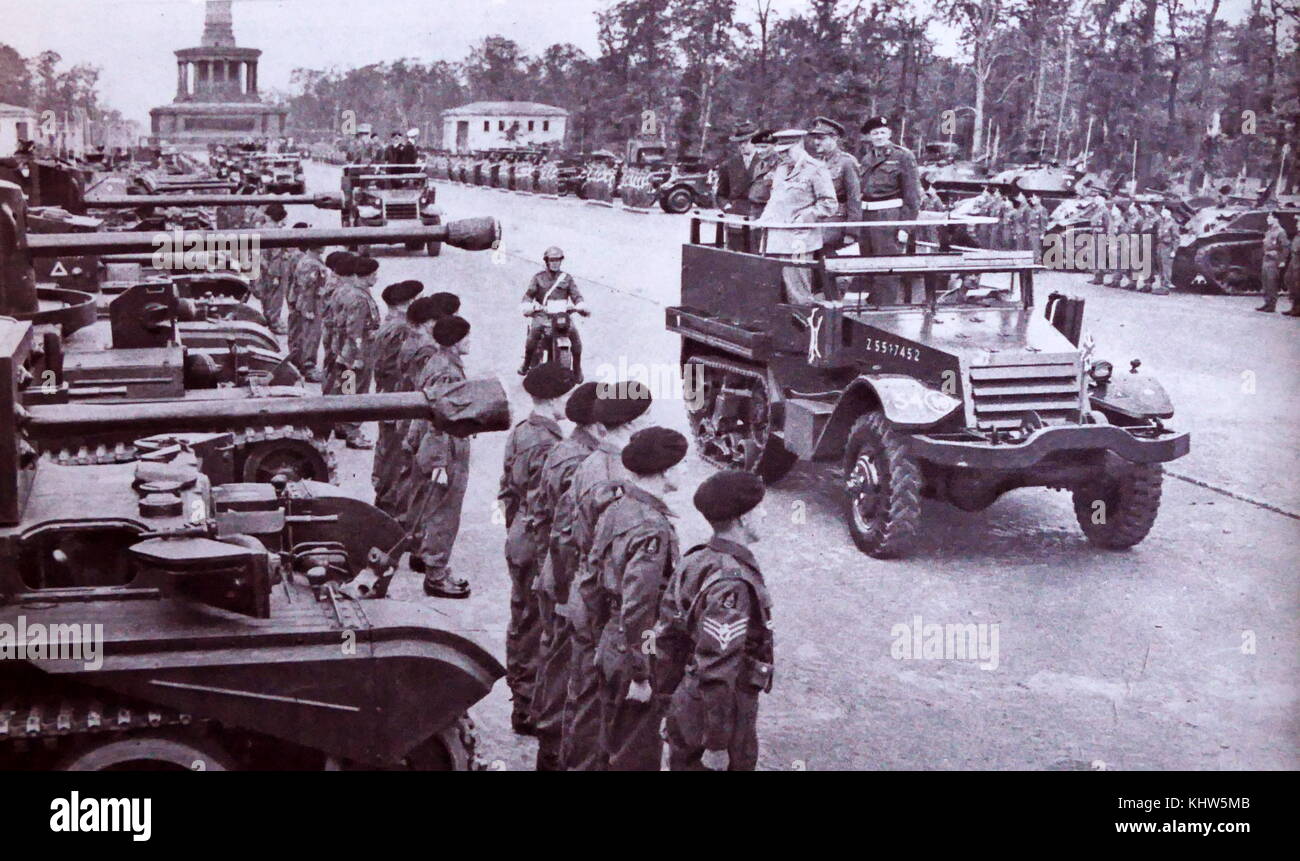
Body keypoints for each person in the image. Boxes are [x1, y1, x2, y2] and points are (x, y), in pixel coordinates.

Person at [560, 381, 654, 771]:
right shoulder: (613, 477)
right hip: (598, 602)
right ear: (630, 425)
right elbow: (603, 552)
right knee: (590, 705)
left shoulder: (595, 464)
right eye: (646, 417)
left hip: (587, 594)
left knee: (583, 697)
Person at [658, 470, 773, 772]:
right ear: (743, 519)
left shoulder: (696, 559)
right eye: (760, 509)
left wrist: (669, 705)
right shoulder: (732, 584)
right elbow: (718, 669)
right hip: (717, 714)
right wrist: (718, 743)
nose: (765, 515)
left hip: (687, 701)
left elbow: (668, 637)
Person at [592, 426, 687, 770]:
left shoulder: (619, 507)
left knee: (610, 743)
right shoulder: (652, 527)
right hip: (632, 648)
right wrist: (641, 674)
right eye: (678, 465)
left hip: (610, 639)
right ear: (664, 472)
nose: (683, 471)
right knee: (635, 754)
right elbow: (639, 608)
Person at [498, 361, 575, 735]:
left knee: (522, 619)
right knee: (533, 624)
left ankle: (522, 698)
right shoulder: (548, 443)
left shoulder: (522, 431)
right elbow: (549, 502)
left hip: (520, 534)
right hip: (537, 540)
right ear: (556, 397)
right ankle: (528, 705)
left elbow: (508, 490)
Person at [530, 382, 603, 770]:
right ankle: (552, 750)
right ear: (597, 427)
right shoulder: (580, 462)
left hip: (558, 575)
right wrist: (564, 592)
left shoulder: (568, 449)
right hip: (566, 577)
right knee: (562, 668)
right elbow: (564, 533)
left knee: (556, 661)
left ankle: (551, 741)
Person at [405, 315, 474, 598]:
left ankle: (422, 554)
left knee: (427, 504)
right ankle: (436, 575)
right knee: (444, 512)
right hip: (445, 449)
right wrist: (440, 463)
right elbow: (441, 418)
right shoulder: (448, 372)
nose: (470, 342)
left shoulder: (438, 362)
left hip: (433, 446)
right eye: (467, 337)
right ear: (456, 342)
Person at [388, 293, 459, 522]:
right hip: (414, 415)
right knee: (412, 475)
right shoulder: (428, 352)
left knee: (403, 469)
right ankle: (402, 520)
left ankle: (396, 512)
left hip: (404, 406)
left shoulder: (417, 343)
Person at [757, 129, 836, 304]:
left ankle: (804, 326)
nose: (783, 155)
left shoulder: (815, 169)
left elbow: (829, 204)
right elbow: (776, 200)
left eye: (787, 151)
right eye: (780, 151)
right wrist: (764, 220)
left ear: (799, 146)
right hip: (774, 237)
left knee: (798, 291)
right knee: (771, 289)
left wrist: (806, 216)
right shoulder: (781, 169)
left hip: (798, 240)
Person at [369, 279, 425, 497]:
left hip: (387, 390)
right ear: (409, 302)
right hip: (396, 392)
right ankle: (388, 493)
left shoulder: (390, 323)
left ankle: (381, 484)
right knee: (395, 448)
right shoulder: (402, 329)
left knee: (386, 443)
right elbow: (398, 366)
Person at [858, 116, 922, 302]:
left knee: (886, 267)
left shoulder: (903, 156)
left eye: (882, 132)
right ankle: (869, 308)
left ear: (890, 134)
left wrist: (905, 227)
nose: (878, 136)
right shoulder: (867, 158)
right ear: (870, 136)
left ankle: (884, 311)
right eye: (875, 133)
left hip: (889, 217)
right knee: (867, 263)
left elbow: (912, 195)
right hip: (867, 216)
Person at [324, 254, 380, 448]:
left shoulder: (343, 291)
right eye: (374, 274)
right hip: (359, 351)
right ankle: (353, 431)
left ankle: (341, 424)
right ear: (365, 276)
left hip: (343, 349)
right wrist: (356, 357)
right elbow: (354, 331)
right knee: (357, 391)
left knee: (345, 386)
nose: (376, 278)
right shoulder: (359, 298)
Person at [520, 246, 588, 379]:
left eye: (558, 260)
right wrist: (527, 305)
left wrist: (580, 305)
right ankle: (526, 362)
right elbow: (528, 295)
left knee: (575, 338)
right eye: (552, 260)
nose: (555, 263)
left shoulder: (566, 278)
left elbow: (576, 295)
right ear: (547, 261)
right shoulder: (538, 278)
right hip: (543, 315)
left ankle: (577, 368)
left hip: (561, 316)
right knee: (532, 336)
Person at [806, 116, 862, 255]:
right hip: (817, 222)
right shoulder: (816, 163)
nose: (816, 142)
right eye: (815, 138)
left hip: (836, 224)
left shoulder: (846, 162)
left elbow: (854, 199)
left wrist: (851, 232)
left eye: (821, 138)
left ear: (835, 139)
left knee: (829, 266)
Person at [287, 243, 329, 382]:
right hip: (312, 304)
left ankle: (299, 363)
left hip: (306, 303)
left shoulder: (308, 260)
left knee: (302, 334)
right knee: (311, 336)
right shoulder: (312, 263)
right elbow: (308, 288)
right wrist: (309, 309)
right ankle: (308, 368)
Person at [715, 121, 760, 217]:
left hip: (758, 216)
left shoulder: (765, 162)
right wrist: (727, 207)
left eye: (746, 142)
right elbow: (721, 195)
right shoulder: (729, 165)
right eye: (740, 143)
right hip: (735, 215)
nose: (742, 146)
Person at [257, 203, 288, 332]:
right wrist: (275, 275)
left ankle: (268, 318)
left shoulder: (261, 229)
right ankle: (274, 323)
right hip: (274, 270)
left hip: (263, 267)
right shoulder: (276, 232)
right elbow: (276, 255)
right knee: (276, 298)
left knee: (266, 296)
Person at [1258, 213, 1289, 312]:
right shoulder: (1269, 231)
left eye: (1269, 217)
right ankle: (1267, 303)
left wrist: (1282, 260)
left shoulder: (1281, 232)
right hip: (1266, 258)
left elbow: (1285, 247)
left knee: (1272, 282)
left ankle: (1272, 305)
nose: (1267, 219)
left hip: (1274, 259)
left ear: (1276, 219)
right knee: (1265, 282)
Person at [1150, 204, 1179, 296]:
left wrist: (1174, 250)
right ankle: (1162, 285)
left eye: (1164, 210)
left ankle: (1166, 287)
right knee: (1160, 267)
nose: (1162, 211)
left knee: (1166, 267)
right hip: (1160, 246)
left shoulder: (1172, 223)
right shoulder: (1161, 222)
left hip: (1167, 247)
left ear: (1168, 212)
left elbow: (1176, 238)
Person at [1025, 194, 1049, 263]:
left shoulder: (1042, 209)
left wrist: (1042, 233)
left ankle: (1037, 263)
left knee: (1036, 249)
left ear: (1039, 199)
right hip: (1031, 231)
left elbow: (1044, 222)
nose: (1032, 200)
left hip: (1037, 231)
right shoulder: (1032, 209)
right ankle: (1032, 263)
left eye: (1034, 199)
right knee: (1031, 248)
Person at [1284, 228, 1300, 317]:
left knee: (1298, 286)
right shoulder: (1297, 235)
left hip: (1298, 261)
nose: (1298, 225)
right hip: (1293, 261)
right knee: (1290, 281)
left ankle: (1298, 309)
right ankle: (1293, 307)